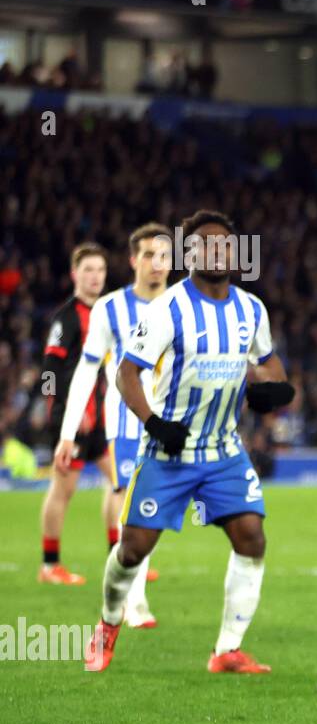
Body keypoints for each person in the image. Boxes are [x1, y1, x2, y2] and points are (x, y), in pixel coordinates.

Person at [84, 211, 295, 674]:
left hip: (223, 450)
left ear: (236, 254)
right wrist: (153, 422)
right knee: (133, 548)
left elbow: (269, 363)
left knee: (251, 537)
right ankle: (108, 621)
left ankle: (227, 651)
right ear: (191, 255)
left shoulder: (251, 309)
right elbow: (125, 372)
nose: (216, 252)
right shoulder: (168, 308)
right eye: (205, 246)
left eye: (225, 245)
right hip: (168, 452)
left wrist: (276, 389)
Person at [55, 223, 172, 626]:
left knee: (151, 509)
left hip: (169, 423)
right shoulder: (110, 308)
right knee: (131, 504)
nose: (157, 265)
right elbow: (86, 372)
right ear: (132, 260)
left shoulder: (185, 305)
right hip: (123, 423)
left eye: (164, 256)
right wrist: (68, 433)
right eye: (148, 256)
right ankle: (133, 602)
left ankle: (125, 594)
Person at [37, 243, 111, 585]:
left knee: (120, 483)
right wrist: (61, 413)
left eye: (100, 270)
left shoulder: (106, 315)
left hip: (101, 421)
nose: (95, 277)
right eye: (88, 270)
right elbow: (49, 372)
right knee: (62, 490)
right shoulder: (67, 318)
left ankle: (119, 562)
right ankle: (50, 565)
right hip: (74, 423)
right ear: (74, 275)